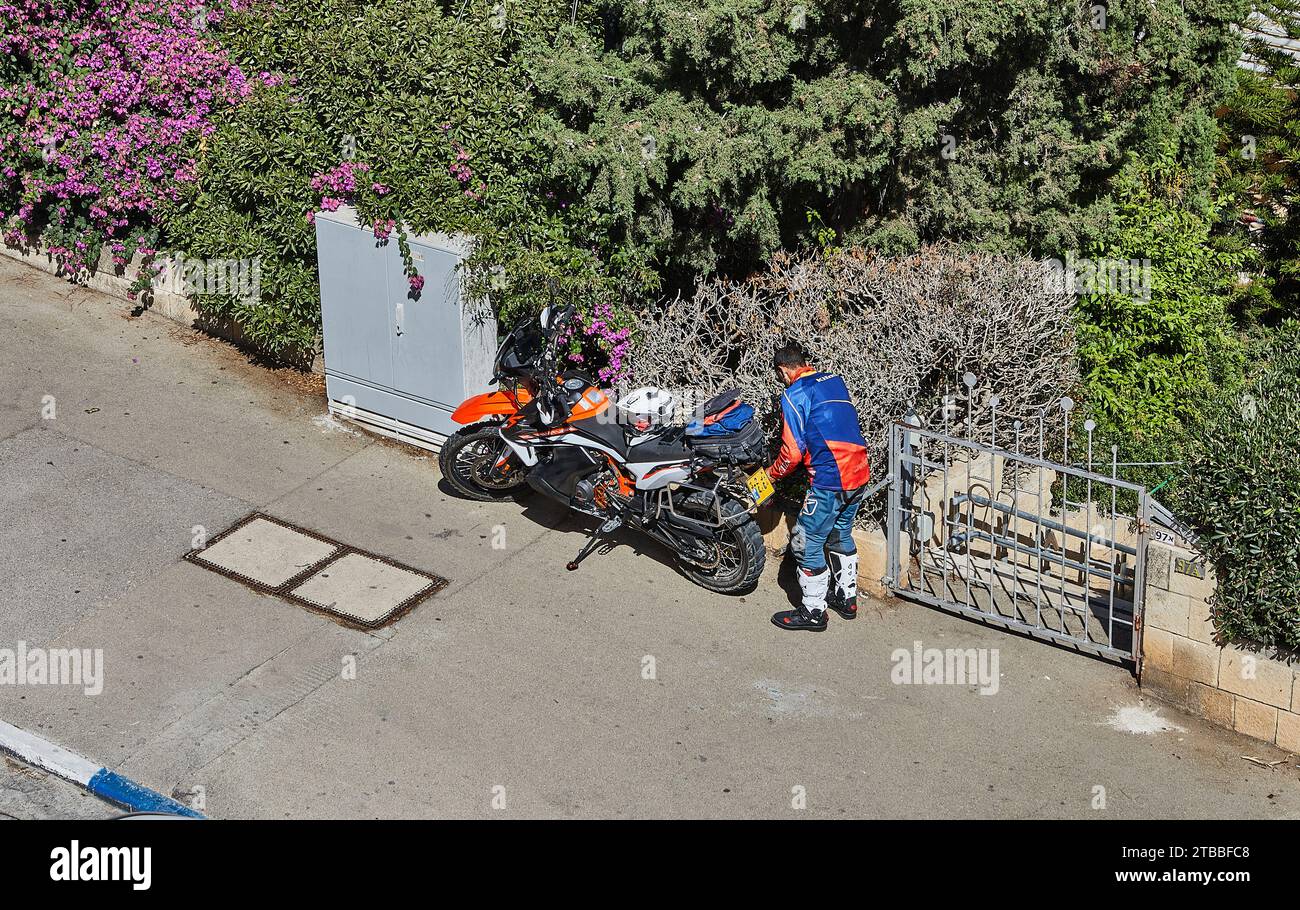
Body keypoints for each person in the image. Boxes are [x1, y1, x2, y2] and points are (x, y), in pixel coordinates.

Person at [765, 343, 872, 632]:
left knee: (805, 541)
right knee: (840, 534)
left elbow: (791, 453)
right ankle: (846, 599)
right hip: (859, 471)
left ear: (784, 371)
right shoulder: (834, 380)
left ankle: (813, 611)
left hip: (830, 479)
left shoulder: (793, 394)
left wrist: (771, 475)